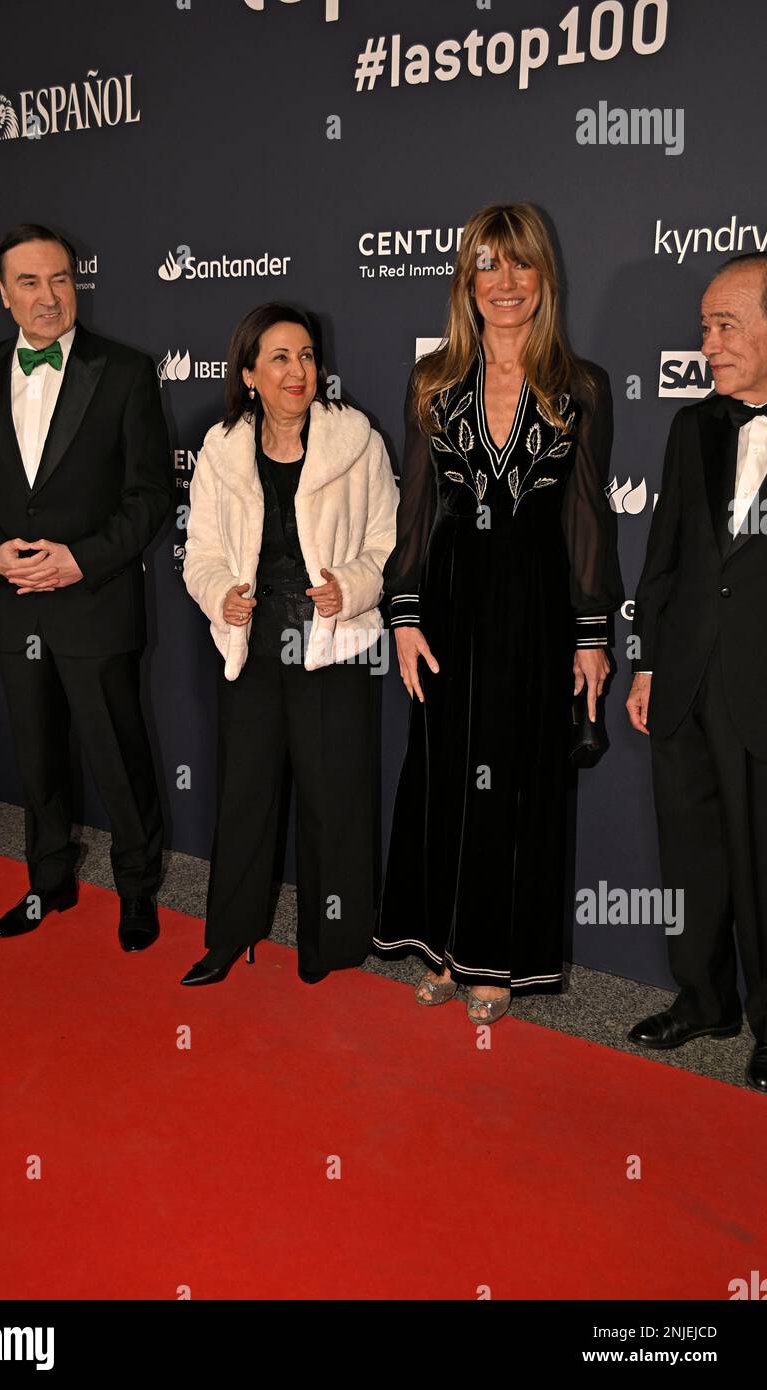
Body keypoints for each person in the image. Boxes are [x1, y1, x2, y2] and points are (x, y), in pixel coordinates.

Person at [374, 203, 623, 1024]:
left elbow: (586, 517)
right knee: (447, 772)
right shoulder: (433, 383)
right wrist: (403, 616)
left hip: (538, 609)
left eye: (521, 265)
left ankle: (499, 963)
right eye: (488, 265)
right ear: (466, 282)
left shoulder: (578, 386)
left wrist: (592, 634)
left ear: (543, 277)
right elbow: (417, 510)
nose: (505, 282)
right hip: (449, 604)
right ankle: (444, 949)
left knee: (518, 784)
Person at [0, 223, 172, 952]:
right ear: (3, 293)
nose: (49, 297)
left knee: (116, 754)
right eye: (31, 283)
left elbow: (148, 496)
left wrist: (81, 559)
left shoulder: (126, 370)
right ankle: (48, 883)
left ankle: (137, 887)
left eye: (61, 280)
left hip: (95, 600)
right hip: (13, 604)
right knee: (36, 759)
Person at [181, 303, 398, 986]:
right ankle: (230, 935)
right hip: (252, 643)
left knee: (335, 799)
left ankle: (330, 945)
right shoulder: (220, 450)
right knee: (245, 797)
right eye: (278, 358)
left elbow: (387, 545)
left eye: (305, 356)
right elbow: (201, 554)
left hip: (333, 646)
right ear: (248, 373)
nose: (296, 371)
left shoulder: (358, 442)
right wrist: (222, 595)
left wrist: (352, 585)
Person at [626, 253, 767, 1093]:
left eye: (725, 326)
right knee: (693, 856)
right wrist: (645, 661)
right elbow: (667, 557)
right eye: (705, 326)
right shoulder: (694, 427)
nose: (706, 343)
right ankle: (705, 999)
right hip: (684, 676)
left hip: (761, 683)